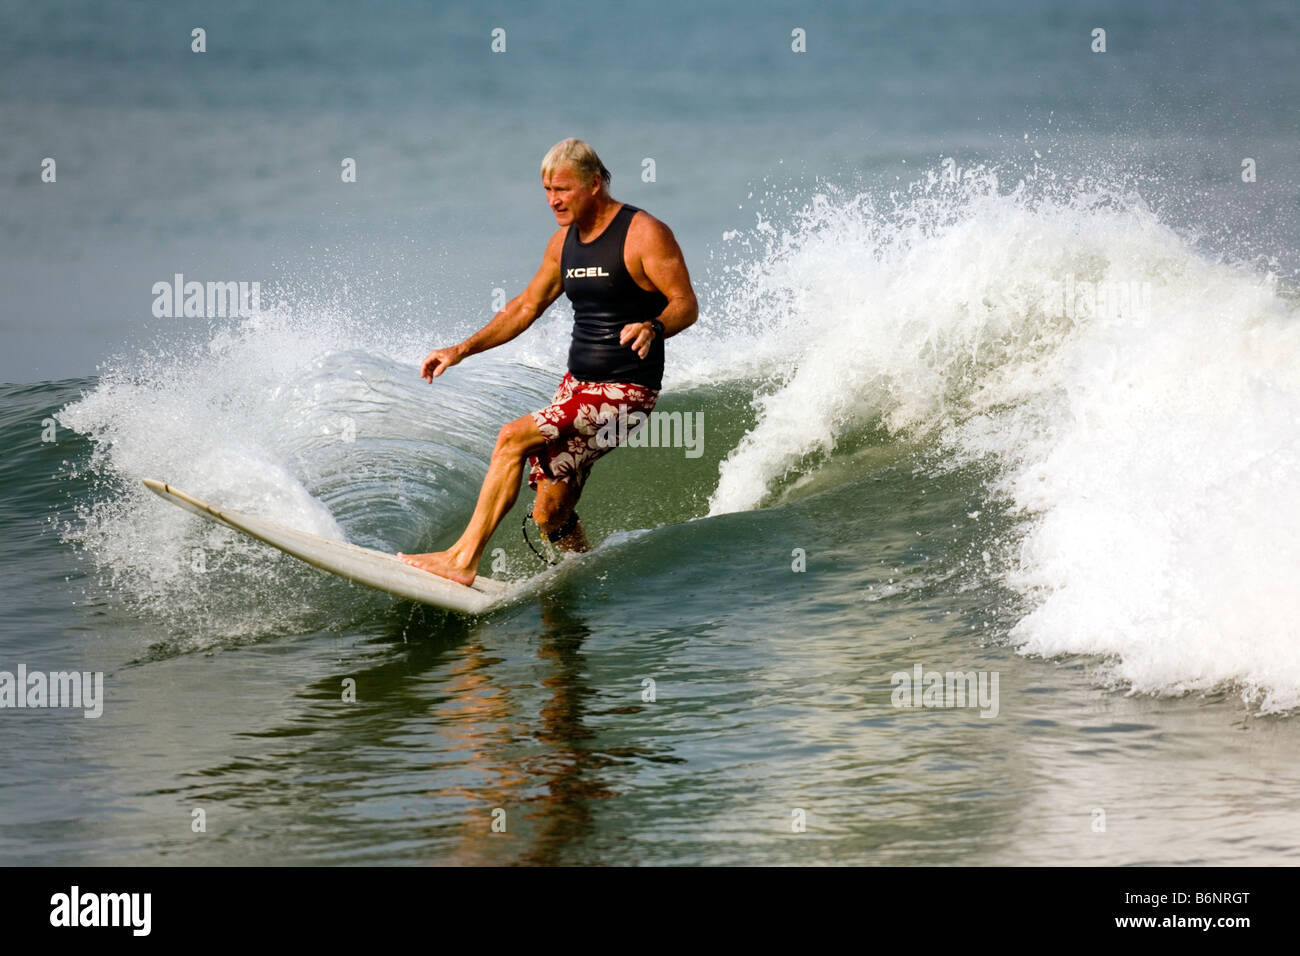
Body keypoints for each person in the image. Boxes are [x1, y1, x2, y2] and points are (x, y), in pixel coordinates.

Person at [398, 138, 698, 586]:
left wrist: (653, 326)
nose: (552, 200)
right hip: (576, 388)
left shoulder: (643, 233)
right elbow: (524, 307)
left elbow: (685, 304)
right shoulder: (563, 243)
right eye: (546, 190)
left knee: (512, 437)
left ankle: (460, 560)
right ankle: (592, 574)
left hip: (626, 395)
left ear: (594, 183)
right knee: (549, 514)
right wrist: (460, 349)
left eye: (562, 188)